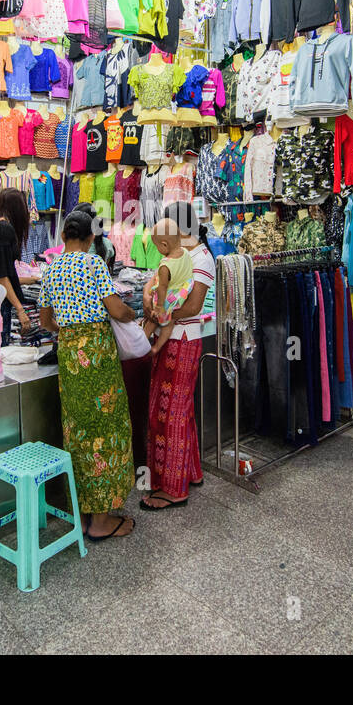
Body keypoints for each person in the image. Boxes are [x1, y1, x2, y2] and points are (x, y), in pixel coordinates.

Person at [38, 211, 138, 540]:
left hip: (70, 358)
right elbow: (115, 308)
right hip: (96, 356)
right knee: (106, 429)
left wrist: (66, 330)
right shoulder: (93, 263)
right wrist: (134, 312)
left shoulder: (51, 270)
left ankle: (81, 515)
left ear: (64, 235)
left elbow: (45, 320)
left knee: (78, 431)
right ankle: (101, 520)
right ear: (91, 238)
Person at [140, 201, 213, 510]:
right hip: (173, 336)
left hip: (182, 339)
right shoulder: (179, 254)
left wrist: (159, 314)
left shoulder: (201, 258)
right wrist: (149, 298)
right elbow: (154, 282)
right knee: (180, 411)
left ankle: (172, 489)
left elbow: (193, 307)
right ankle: (191, 473)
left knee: (169, 413)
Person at [0, 188, 35, 346]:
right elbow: (0, 276)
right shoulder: (4, 229)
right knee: (0, 349)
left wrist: (28, 280)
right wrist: (20, 310)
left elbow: (0, 271)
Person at [141, 219, 194, 353]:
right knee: (169, 324)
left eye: (157, 246)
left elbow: (162, 287)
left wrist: (158, 307)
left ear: (164, 245)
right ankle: (157, 347)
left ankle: (141, 344)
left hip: (166, 300)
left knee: (152, 321)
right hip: (181, 296)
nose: (158, 250)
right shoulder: (186, 253)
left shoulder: (165, 265)